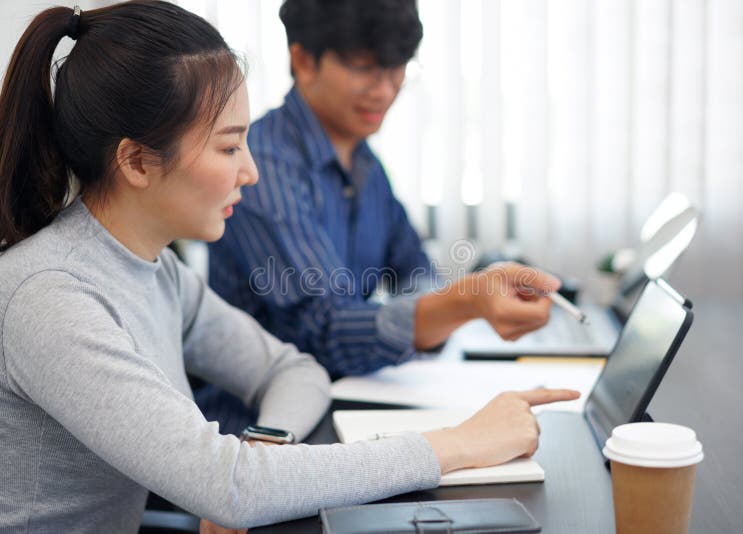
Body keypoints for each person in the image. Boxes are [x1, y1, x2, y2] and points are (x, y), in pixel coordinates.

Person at [0, 2, 579, 531]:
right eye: (229, 148)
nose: (251, 173)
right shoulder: (51, 297)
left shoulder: (157, 272)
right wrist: (458, 444)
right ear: (137, 160)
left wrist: (262, 449)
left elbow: (292, 370)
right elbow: (227, 485)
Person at [208, 0, 559, 377]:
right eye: (365, 68)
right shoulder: (263, 167)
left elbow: (414, 268)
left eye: (397, 70)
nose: (384, 90)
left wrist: (454, 300)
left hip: (344, 396)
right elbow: (325, 331)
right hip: (262, 418)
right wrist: (463, 302)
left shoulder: (366, 166)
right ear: (304, 61)